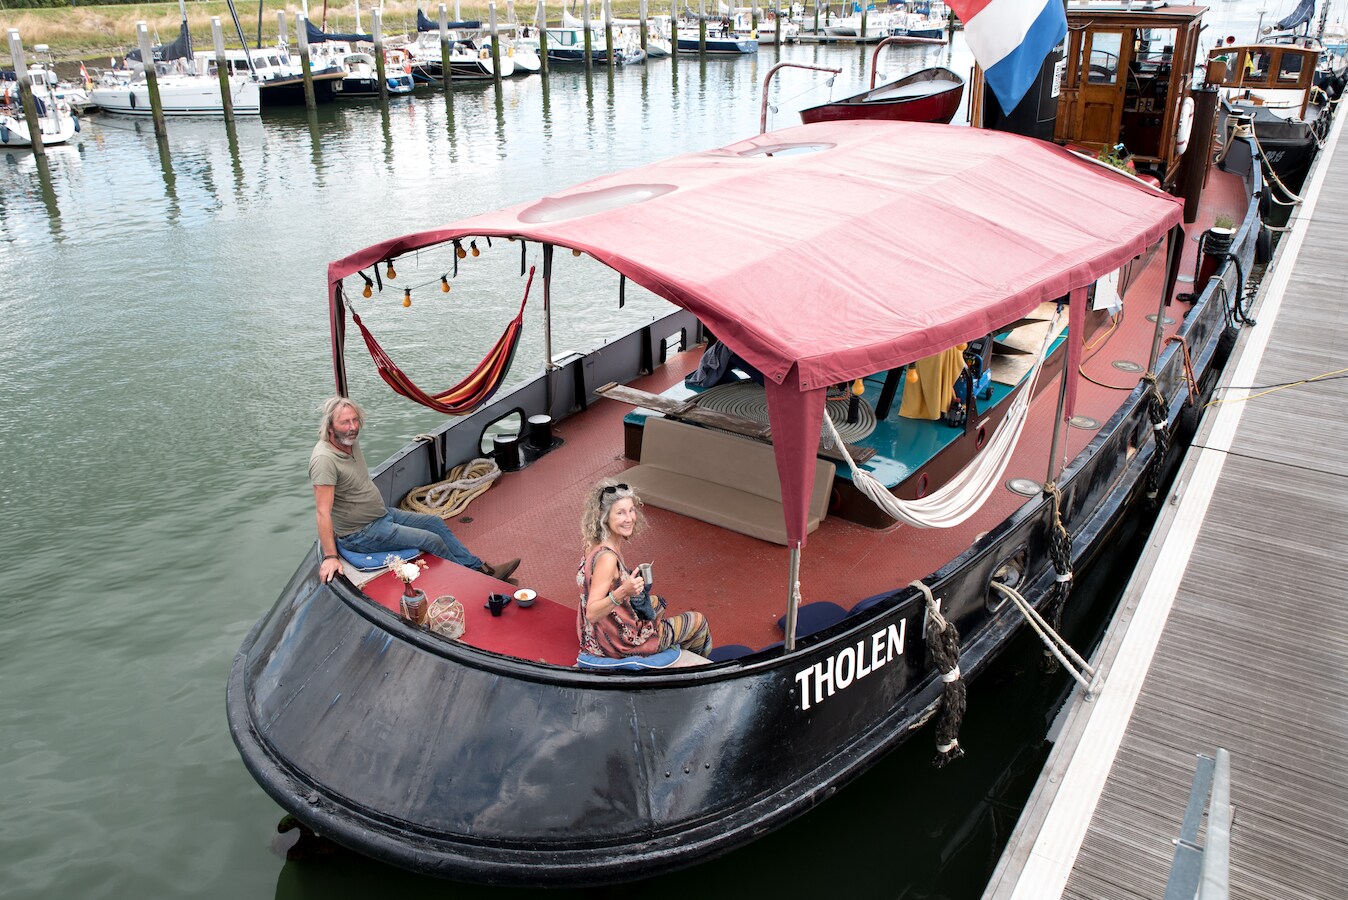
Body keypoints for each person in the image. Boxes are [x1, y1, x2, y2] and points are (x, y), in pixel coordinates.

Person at [310, 396, 520, 585]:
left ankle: (480, 568)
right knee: (431, 540)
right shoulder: (324, 460)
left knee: (435, 523)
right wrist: (330, 557)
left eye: (355, 420)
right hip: (361, 534)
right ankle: (474, 581)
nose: (353, 427)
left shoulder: (349, 442)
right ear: (330, 426)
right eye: (345, 422)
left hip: (381, 516)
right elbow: (322, 512)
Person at [577, 479, 712, 659]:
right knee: (697, 622)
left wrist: (626, 585)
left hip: (590, 632)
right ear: (604, 516)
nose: (629, 518)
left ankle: (670, 646)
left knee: (654, 602)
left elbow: (597, 585)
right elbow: (592, 613)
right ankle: (695, 666)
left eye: (631, 510)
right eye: (620, 513)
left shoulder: (593, 544)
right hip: (614, 642)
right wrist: (624, 590)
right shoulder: (607, 558)